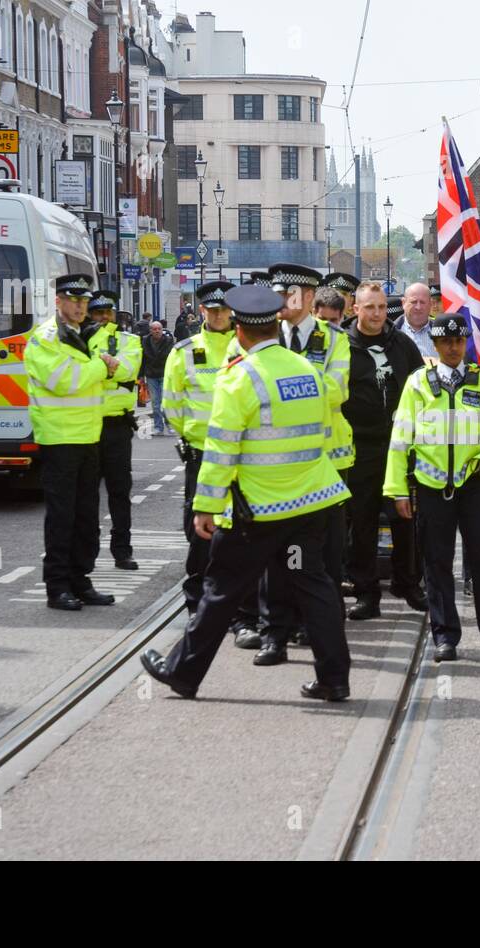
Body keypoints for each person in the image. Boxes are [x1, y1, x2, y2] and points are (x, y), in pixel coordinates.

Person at [140, 284, 353, 702]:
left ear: (239, 330)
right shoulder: (306, 371)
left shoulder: (238, 379)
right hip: (310, 502)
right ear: (275, 325)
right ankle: (334, 678)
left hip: (257, 512)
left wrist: (205, 506)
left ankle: (183, 672)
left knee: (221, 589)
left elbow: (221, 449)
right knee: (315, 585)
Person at [386, 313, 480, 661]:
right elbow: (400, 440)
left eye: (458, 341)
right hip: (433, 486)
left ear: (465, 343)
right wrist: (397, 490)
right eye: (446, 343)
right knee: (436, 565)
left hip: (478, 485)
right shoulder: (418, 384)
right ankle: (445, 637)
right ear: (434, 345)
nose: (453, 348)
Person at [255, 262, 353, 665]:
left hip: (322, 464)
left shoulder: (334, 340)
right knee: (274, 555)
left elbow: (336, 392)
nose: (281, 301)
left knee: (322, 555)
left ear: (309, 297)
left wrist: (282, 386)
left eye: (289, 294)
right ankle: (273, 633)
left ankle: (314, 626)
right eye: (277, 294)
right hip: (272, 465)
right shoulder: (262, 337)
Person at [25, 274, 118, 611]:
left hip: (89, 437)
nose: (80, 306)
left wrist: (106, 367)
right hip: (60, 439)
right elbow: (66, 381)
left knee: (86, 519)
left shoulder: (86, 335)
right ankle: (58, 586)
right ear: (58, 301)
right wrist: (102, 367)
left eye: (84, 301)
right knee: (62, 518)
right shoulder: (45, 339)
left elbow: (112, 372)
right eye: (73, 300)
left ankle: (81, 579)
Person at [344, 281, 427, 619]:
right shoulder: (342, 348)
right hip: (359, 448)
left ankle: (408, 583)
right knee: (361, 522)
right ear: (356, 310)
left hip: (399, 447)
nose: (377, 314)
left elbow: (422, 388)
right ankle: (366, 592)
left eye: (380, 307)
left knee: (405, 520)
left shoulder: (403, 345)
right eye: (369, 308)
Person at [162, 280, 240, 619]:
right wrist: (195, 434)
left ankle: (234, 599)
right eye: (213, 309)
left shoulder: (244, 348)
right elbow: (172, 405)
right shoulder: (183, 352)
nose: (219, 315)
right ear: (203, 311)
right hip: (201, 451)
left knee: (237, 527)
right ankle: (197, 599)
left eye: (224, 310)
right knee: (199, 528)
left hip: (241, 454)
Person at [86, 289, 142, 570]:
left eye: (108, 312)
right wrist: (107, 366)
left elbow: (127, 371)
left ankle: (123, 550)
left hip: (118, 427)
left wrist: (104, 369)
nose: (104, 317)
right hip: (88, 426)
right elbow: (82, 374)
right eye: (98, 312)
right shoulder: (81, 340)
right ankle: (88, 552)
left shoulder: (130, 340)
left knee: (120, 493)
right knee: (87, 494)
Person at [141, 320, 174, 435]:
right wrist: (141, 376)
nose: (157, 331)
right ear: (150, 330)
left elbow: (172, 358)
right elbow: (142, 359)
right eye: (154, 329)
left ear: (162, 330)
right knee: (155, 403)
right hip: (151, 375)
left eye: (159, 329)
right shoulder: (145, 341)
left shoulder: (169, 341)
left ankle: (170, 425)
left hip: (165, 374)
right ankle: (158, 427)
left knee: (166, 402)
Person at [399, 282, 436, 359]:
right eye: (414, 302)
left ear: (430, 304)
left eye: (422, 302)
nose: (418, 307)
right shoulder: (389, 334)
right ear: (403, 303)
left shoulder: (443, 334)